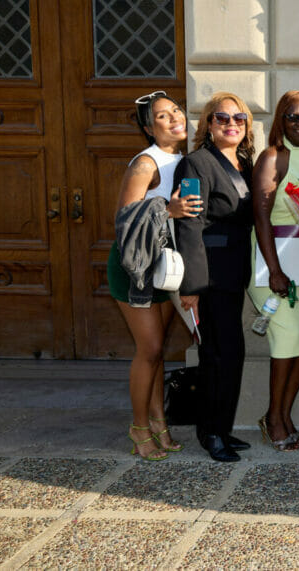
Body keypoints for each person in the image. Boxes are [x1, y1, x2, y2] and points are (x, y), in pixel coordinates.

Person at [111, 91, 200, 460]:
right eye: (162, 116)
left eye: (176, 110)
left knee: (158, 352)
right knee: (147, 350)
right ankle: (138, 427)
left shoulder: (183, 160)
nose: (174, 118)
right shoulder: (146, 163)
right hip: (135, 269)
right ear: (149, 128)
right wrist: (168, 209)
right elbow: (125, 217)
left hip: (165, 268)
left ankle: (159, 424)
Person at [174, 91, 255, 463]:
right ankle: (209, 433)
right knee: (216, 355)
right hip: (208, 275)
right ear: (209, 124)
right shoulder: (195, 164)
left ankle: (222, 427)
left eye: (239, 118)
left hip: (233, 272)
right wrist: (191, 286)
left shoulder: (243, 163)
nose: (231, 124)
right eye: (222, 118)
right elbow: (189, 225)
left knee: (231, 353)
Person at [247, 91, 299, 452]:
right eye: (294, 117)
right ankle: (274, 418)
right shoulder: (273, 157)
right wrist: (274, 270)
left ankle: (282, 413)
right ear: (282, 120)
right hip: (273, 256)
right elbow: (261, 217)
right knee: (286, 338)